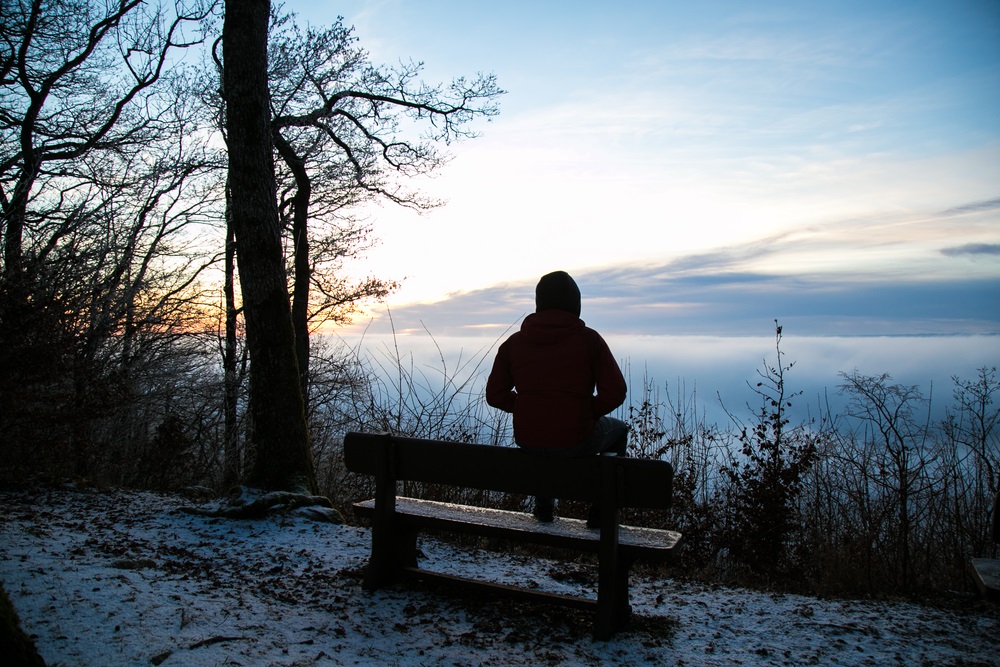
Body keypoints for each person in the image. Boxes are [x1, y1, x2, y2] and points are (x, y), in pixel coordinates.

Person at [485, 270, 628, 525]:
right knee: (619, 430)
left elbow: (495, 395)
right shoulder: (590, 341)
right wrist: (587, 411)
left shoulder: (513, 344)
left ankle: (544, 509)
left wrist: (525, 407)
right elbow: (615, 392)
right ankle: (600, 513)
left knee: (543, 433)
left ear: (539, 304)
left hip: (528, 439)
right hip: (577, 438)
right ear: (576, 304)